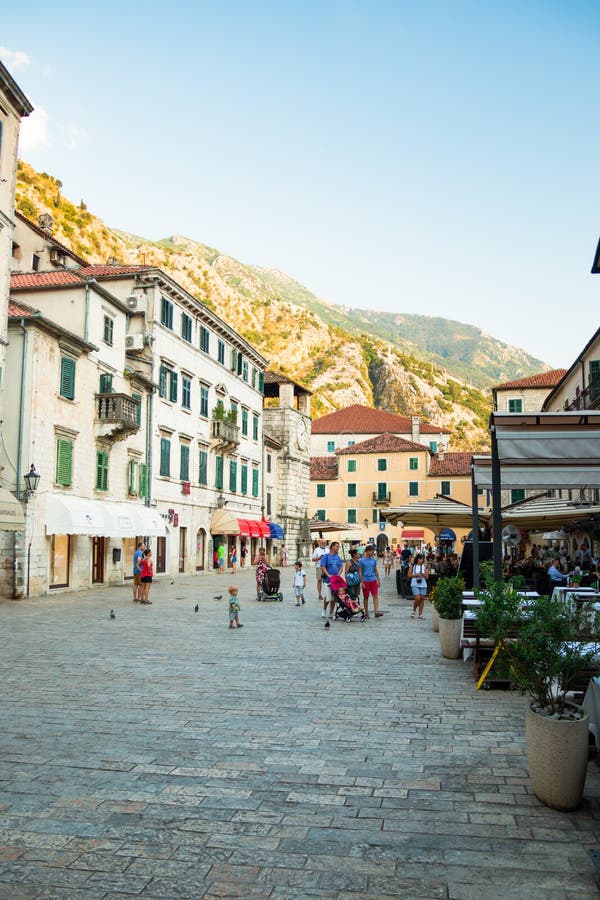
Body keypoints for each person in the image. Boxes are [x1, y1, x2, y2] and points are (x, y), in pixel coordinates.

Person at [320, 540, 344, 619]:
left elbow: (341, 567)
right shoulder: (326, 556)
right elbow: (323, 566)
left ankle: (331, 612)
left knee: (334, 597)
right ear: (332, 547)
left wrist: (339, 574)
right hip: (328, 580)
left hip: (336, 580)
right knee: (327, 596)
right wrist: (328, 575)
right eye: (337, 547)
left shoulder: (337, 557)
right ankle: (324, 609)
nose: (338, 548)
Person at [358, 543, 382, 619]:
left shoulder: (373, 560)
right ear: (367, 551)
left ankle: (376, 612)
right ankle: (366, 613)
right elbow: (360, 572)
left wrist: (378, 580)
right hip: (366, 581)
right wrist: (362, 582)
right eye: (371, 551)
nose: (373, 553)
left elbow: (375, 570)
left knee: (375, 596)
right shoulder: (361, 561)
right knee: (366, 597)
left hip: (373, 580)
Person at [409, 552, 429, 619]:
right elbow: (409, 575)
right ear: (417, 559)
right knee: (417, 598)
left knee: (422, 598)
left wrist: (423, 574)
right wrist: (416, 575)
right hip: (415, 583)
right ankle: (414, 610)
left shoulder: (424, 566)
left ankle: (420, 614)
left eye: (422, 559)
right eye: (420, 559)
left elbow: (427, 577)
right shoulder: (413, 566)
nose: (421, 560)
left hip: (423, 583)